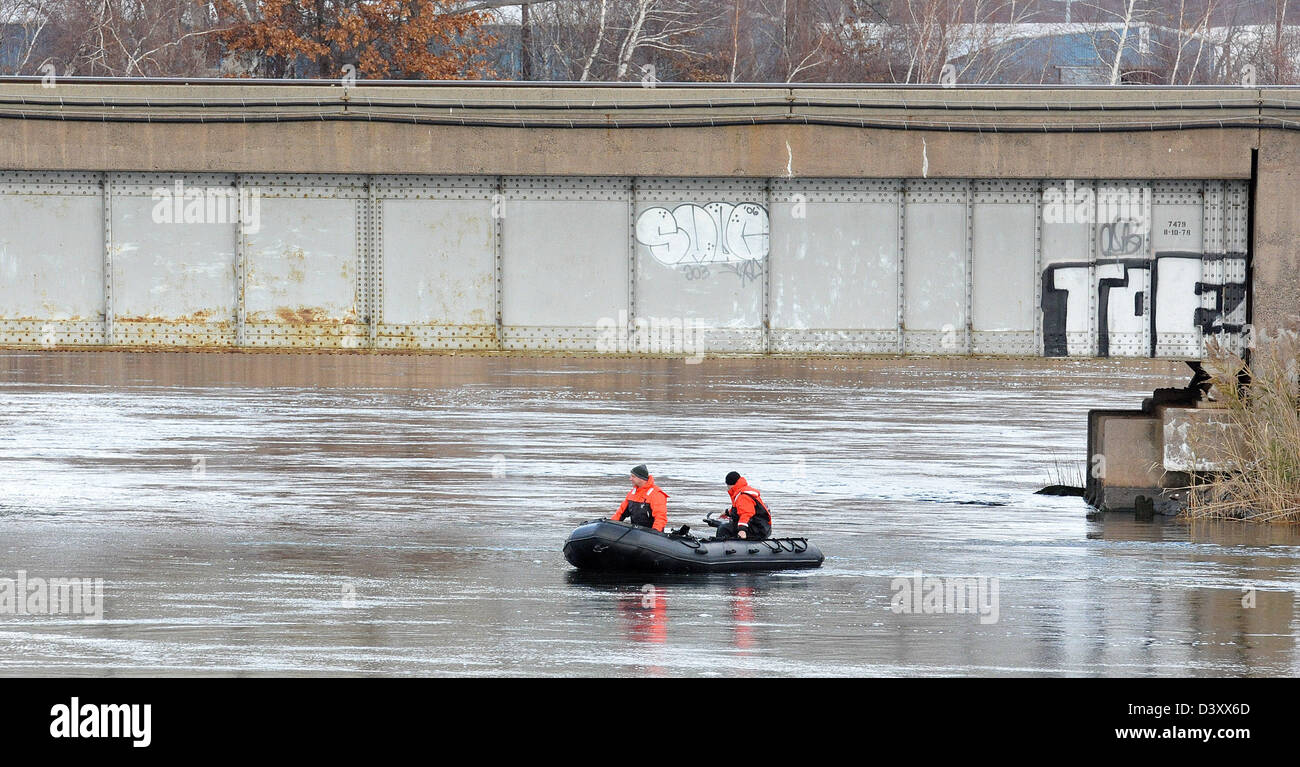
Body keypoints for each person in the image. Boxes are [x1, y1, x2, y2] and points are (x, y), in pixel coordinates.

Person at [715, 471, 772, 540]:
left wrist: (742, 530)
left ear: (730, 485)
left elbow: (747, 513)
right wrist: (727, 513)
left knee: (723, 528)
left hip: (759, 529)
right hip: (759, 526)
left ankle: (723, 547)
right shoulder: (741, 491)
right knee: (726, 525)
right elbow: (739, 509)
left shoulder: (742, 495)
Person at [612, 464, 669, 532]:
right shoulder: (633, 493)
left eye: (633, 477)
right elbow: (620, 513)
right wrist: (610, 525)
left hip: (650, 535)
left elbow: (660, 517)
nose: (630, 479)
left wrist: (655, 532)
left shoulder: (656, 494)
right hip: (636, 533)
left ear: (641, 478)